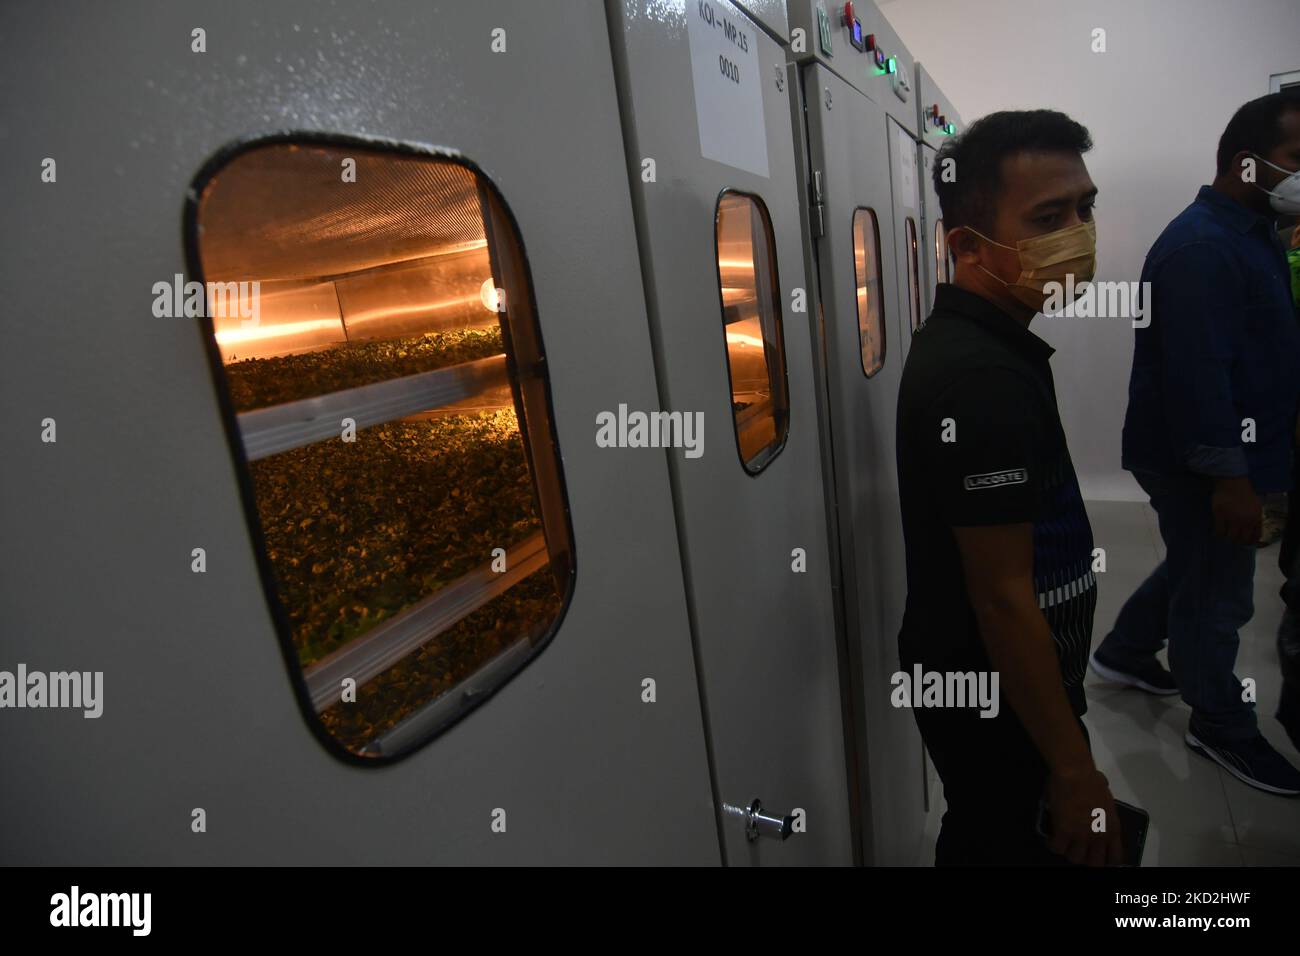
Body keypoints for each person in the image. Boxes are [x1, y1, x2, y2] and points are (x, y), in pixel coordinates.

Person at [897, 109, 1122, 865]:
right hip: (985, 685)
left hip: (996, 677)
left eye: (1085, 208)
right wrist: (1073, 770)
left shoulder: (992, 343)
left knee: (988, 827)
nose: (1080, 234)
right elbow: (1001, 596)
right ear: (968, 245)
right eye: (1049, 217)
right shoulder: (981, 379)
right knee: (1001, 835)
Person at [1090, 91, 1300, 796]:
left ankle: (1122, 653)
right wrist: (1232, 483)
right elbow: (1197, 380)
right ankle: (1219, 721)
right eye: (1298, 159)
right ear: (1248, 160)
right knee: (1219, 595)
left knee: (1197, 560)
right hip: (1203, 459)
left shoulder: (1250, 230)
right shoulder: (1204, 247)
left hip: (1224, 454)